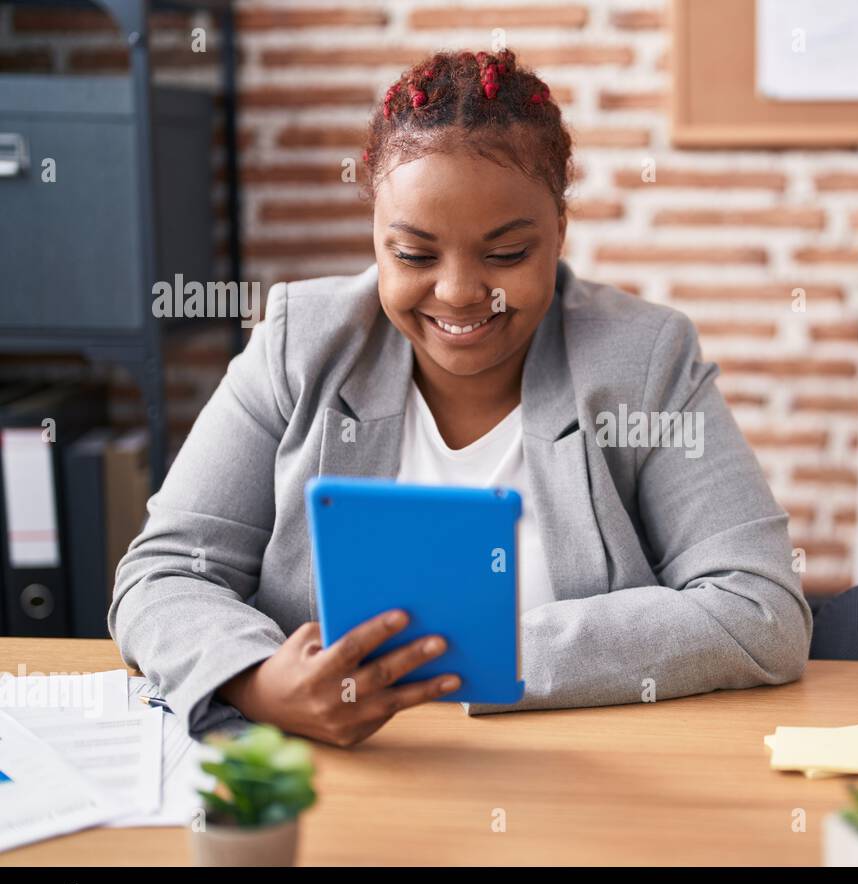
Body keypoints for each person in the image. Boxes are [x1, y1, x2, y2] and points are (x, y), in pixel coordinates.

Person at [109, 49, 811, 747]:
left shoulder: (643, 359)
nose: (459, 293)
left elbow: (760, 609)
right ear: (376, 242)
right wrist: (258, 682)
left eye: (506, 254)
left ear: (559, 234)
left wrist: (469, 659)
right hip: (342, 775)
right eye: (414, 255)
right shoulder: (301, 346)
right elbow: (163, 573)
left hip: (581, 776)